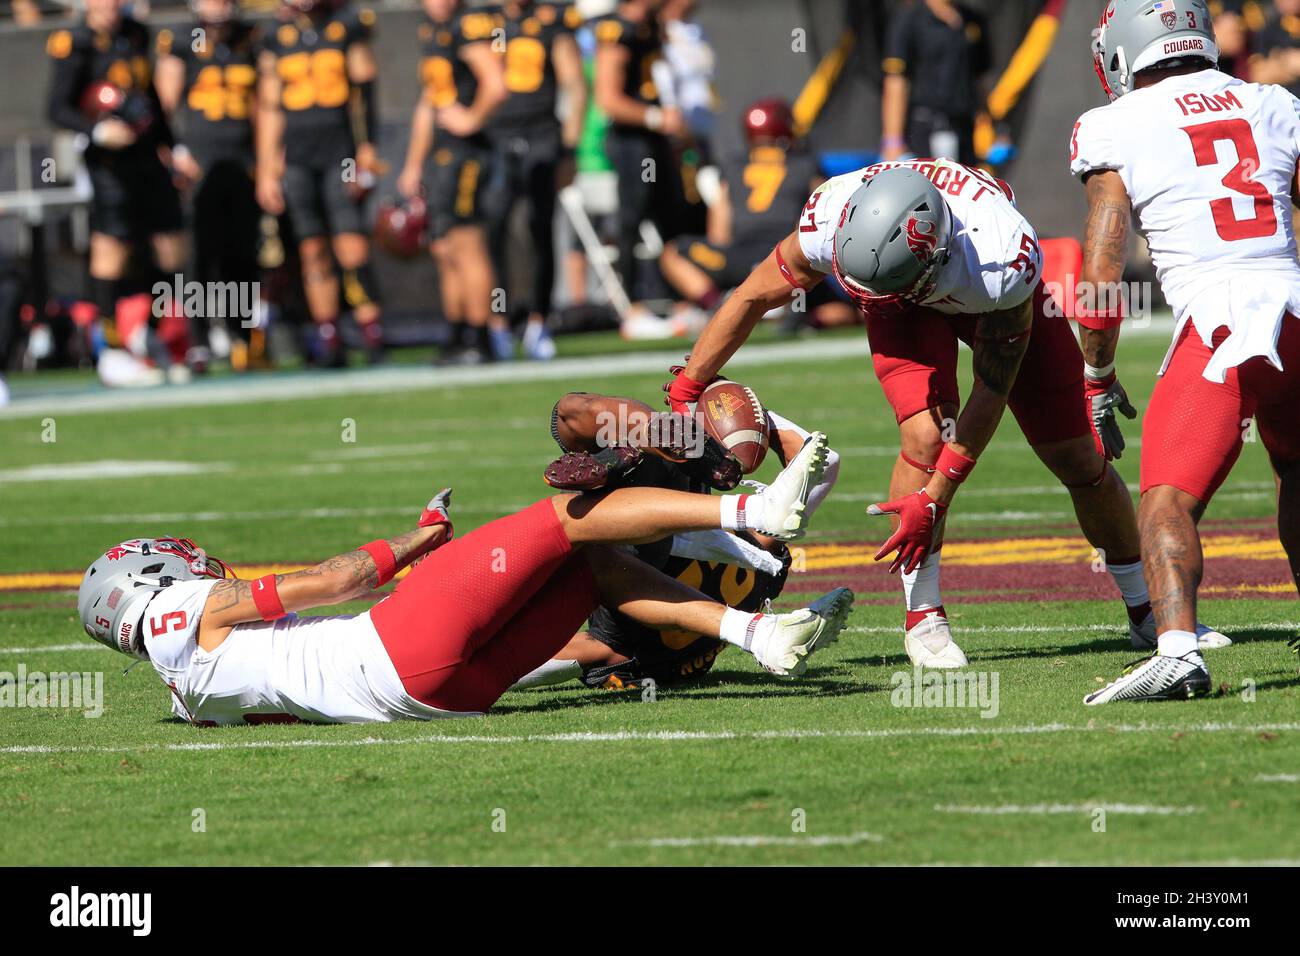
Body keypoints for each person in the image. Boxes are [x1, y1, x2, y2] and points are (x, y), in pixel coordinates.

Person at [664, 158, 1226, 669]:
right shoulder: (832, 215)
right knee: (926, 437)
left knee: (1077, 456)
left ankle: (1145, 610)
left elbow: (992, 389)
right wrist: (687, 387)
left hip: (985, 305)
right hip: (906, 302)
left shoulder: (1001, 259)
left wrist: (935, 498)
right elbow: (751, 297)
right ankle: (922, 615)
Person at [76, 438, 852, 726]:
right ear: (148, 580)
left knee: (588, 566)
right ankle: (758, 503)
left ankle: (761, 633)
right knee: (574, 515)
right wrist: (419, 541)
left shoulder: (186, 698)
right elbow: (335, 580)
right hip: (395, 644)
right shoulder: (184, 607)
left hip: (436, 699)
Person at [1071, 0, 1299, 703]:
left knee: (1166, 499)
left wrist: (1097, 371)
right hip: (1294, 307)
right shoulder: (1272, 101)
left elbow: (1104, 272)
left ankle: (1177, 652)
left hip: (1220, 320)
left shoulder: (1113, 124)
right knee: (1295, 466)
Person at [512, 388, 840, 690]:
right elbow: (521, 665)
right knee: (591, 542)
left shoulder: (761, 562)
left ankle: (647, 446)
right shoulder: (623, 645)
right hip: (662, 519)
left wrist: (754, 416)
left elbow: (825, 464)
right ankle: (641, 456)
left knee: (595, 547)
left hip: (668, 514)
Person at [46, 0, 188, 387]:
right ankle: (110, 348)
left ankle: (152, 332)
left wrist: (173, 146)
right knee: (111, 249)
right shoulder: (74, 42)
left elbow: (152, 96)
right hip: (109, 162)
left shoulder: (136, 33)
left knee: (172, 245)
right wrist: (95, 131)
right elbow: (56, 108)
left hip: (145, 155)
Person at [256, 0, 385, 367]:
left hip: (339, 154)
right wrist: (266, 167)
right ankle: (328, 337)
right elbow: (269, 107)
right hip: (297, 157)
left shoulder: (346, 26)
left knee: (352, 246)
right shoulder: (275, 37)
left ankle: (371, 331)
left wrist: (366, 148)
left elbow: (365, 93)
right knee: (311, 249)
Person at [155, 0, 268, 372]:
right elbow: (162, 108)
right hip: (198, 167)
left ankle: (241, 336)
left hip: (242, 164)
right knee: (200, 257)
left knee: (241, 253)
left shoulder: (250, 40)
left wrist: (266, 161)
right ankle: (199, 340)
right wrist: (174, 154)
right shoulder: (183, 42)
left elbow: (265, 106)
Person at [398, 0, 509, 364]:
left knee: (467, 242)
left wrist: (472, 119)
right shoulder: (433, 32)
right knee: (444, 248)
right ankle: (458, 332)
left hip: (468, 154)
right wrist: (413, 165)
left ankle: (482, 337)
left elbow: (496, 84)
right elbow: (429, 104)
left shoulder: (468, 25)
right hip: (442, 155)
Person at [482, 0, 586, 361]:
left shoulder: (550, 21)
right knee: (490, 226)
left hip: (541, 133)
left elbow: (574, 84)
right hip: (495, 136)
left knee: (540, 227)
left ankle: (539, 319)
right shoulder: (482, 21)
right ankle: (497, 320)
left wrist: (570, 150)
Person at [658, 97, 819, 314]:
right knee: (836, 304)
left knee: (673, 252)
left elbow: (718, 233)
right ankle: (787, 307)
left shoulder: (734, 165)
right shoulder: (806, 165)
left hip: (735, 260)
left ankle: (717, 305)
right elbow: (814, 222)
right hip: (782, 260)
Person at [592, 0, 686, 303]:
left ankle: (683, 298)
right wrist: (657, 118)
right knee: (631, 219)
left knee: (673, 219)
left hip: (655, 139)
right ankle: (630, 304)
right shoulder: (618, 30)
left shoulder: (652, 25)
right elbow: (608, 99)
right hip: (632, 140)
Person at [881, 0, 991, 166]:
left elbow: (979, 78)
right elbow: (896, 81)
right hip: (923, 127)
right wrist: (892, 140)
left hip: (964, 127)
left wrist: (992, 127)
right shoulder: (909, 19)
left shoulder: (972, 19)